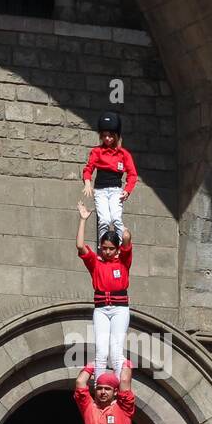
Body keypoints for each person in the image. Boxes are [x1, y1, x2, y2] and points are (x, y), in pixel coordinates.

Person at [75, 200, 134, 377]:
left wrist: (118, 222)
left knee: (116, 353)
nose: (107, 252)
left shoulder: (123, 261)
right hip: (101, 309)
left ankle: (116, 390)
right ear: (101, 248)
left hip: (119, 309)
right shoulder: (96, 263)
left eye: (111, 249)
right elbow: (80, 246)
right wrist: (83, 219)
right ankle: (98, 386)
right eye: (104, 248)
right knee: (101, 353)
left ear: (117, 250)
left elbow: (126, 238)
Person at [81, 109, 138, 243]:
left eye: (111, 136)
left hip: (115, 191)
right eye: (105, 135)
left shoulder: (123, 154)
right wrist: (88, 183)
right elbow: (88, 169)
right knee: (105, 220)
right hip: (100, 191)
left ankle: (119, 248)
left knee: (116, 219)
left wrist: (127, 191)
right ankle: (103, 248)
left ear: (116, 136)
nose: (107, 139)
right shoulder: (97, 152)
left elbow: (132, 175)